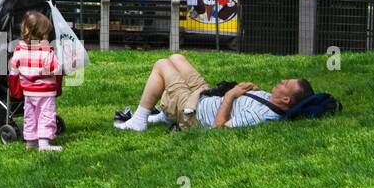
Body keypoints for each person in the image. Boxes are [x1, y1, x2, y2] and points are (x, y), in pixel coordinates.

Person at [114, 54, 312, 131]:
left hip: (194, 111)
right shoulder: (272, 101)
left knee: (162, 65)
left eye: (285, 83)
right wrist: (248, 90)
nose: (281, 81)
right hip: (206, 95)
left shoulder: (257, 116)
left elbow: (218, 129)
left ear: (286, 99)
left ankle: (139, 121)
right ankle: (165, 116)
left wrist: (231, 96)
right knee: (177, 58)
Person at [10, 10, 64, 151]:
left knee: (30, 116)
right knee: (46, 115)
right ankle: (44, 145)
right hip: (45, 92)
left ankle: (31, 142)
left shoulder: (19, 51)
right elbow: (56, 69)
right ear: (42, 34)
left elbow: (13, 70)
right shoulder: (46, 52)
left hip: (28, 91)